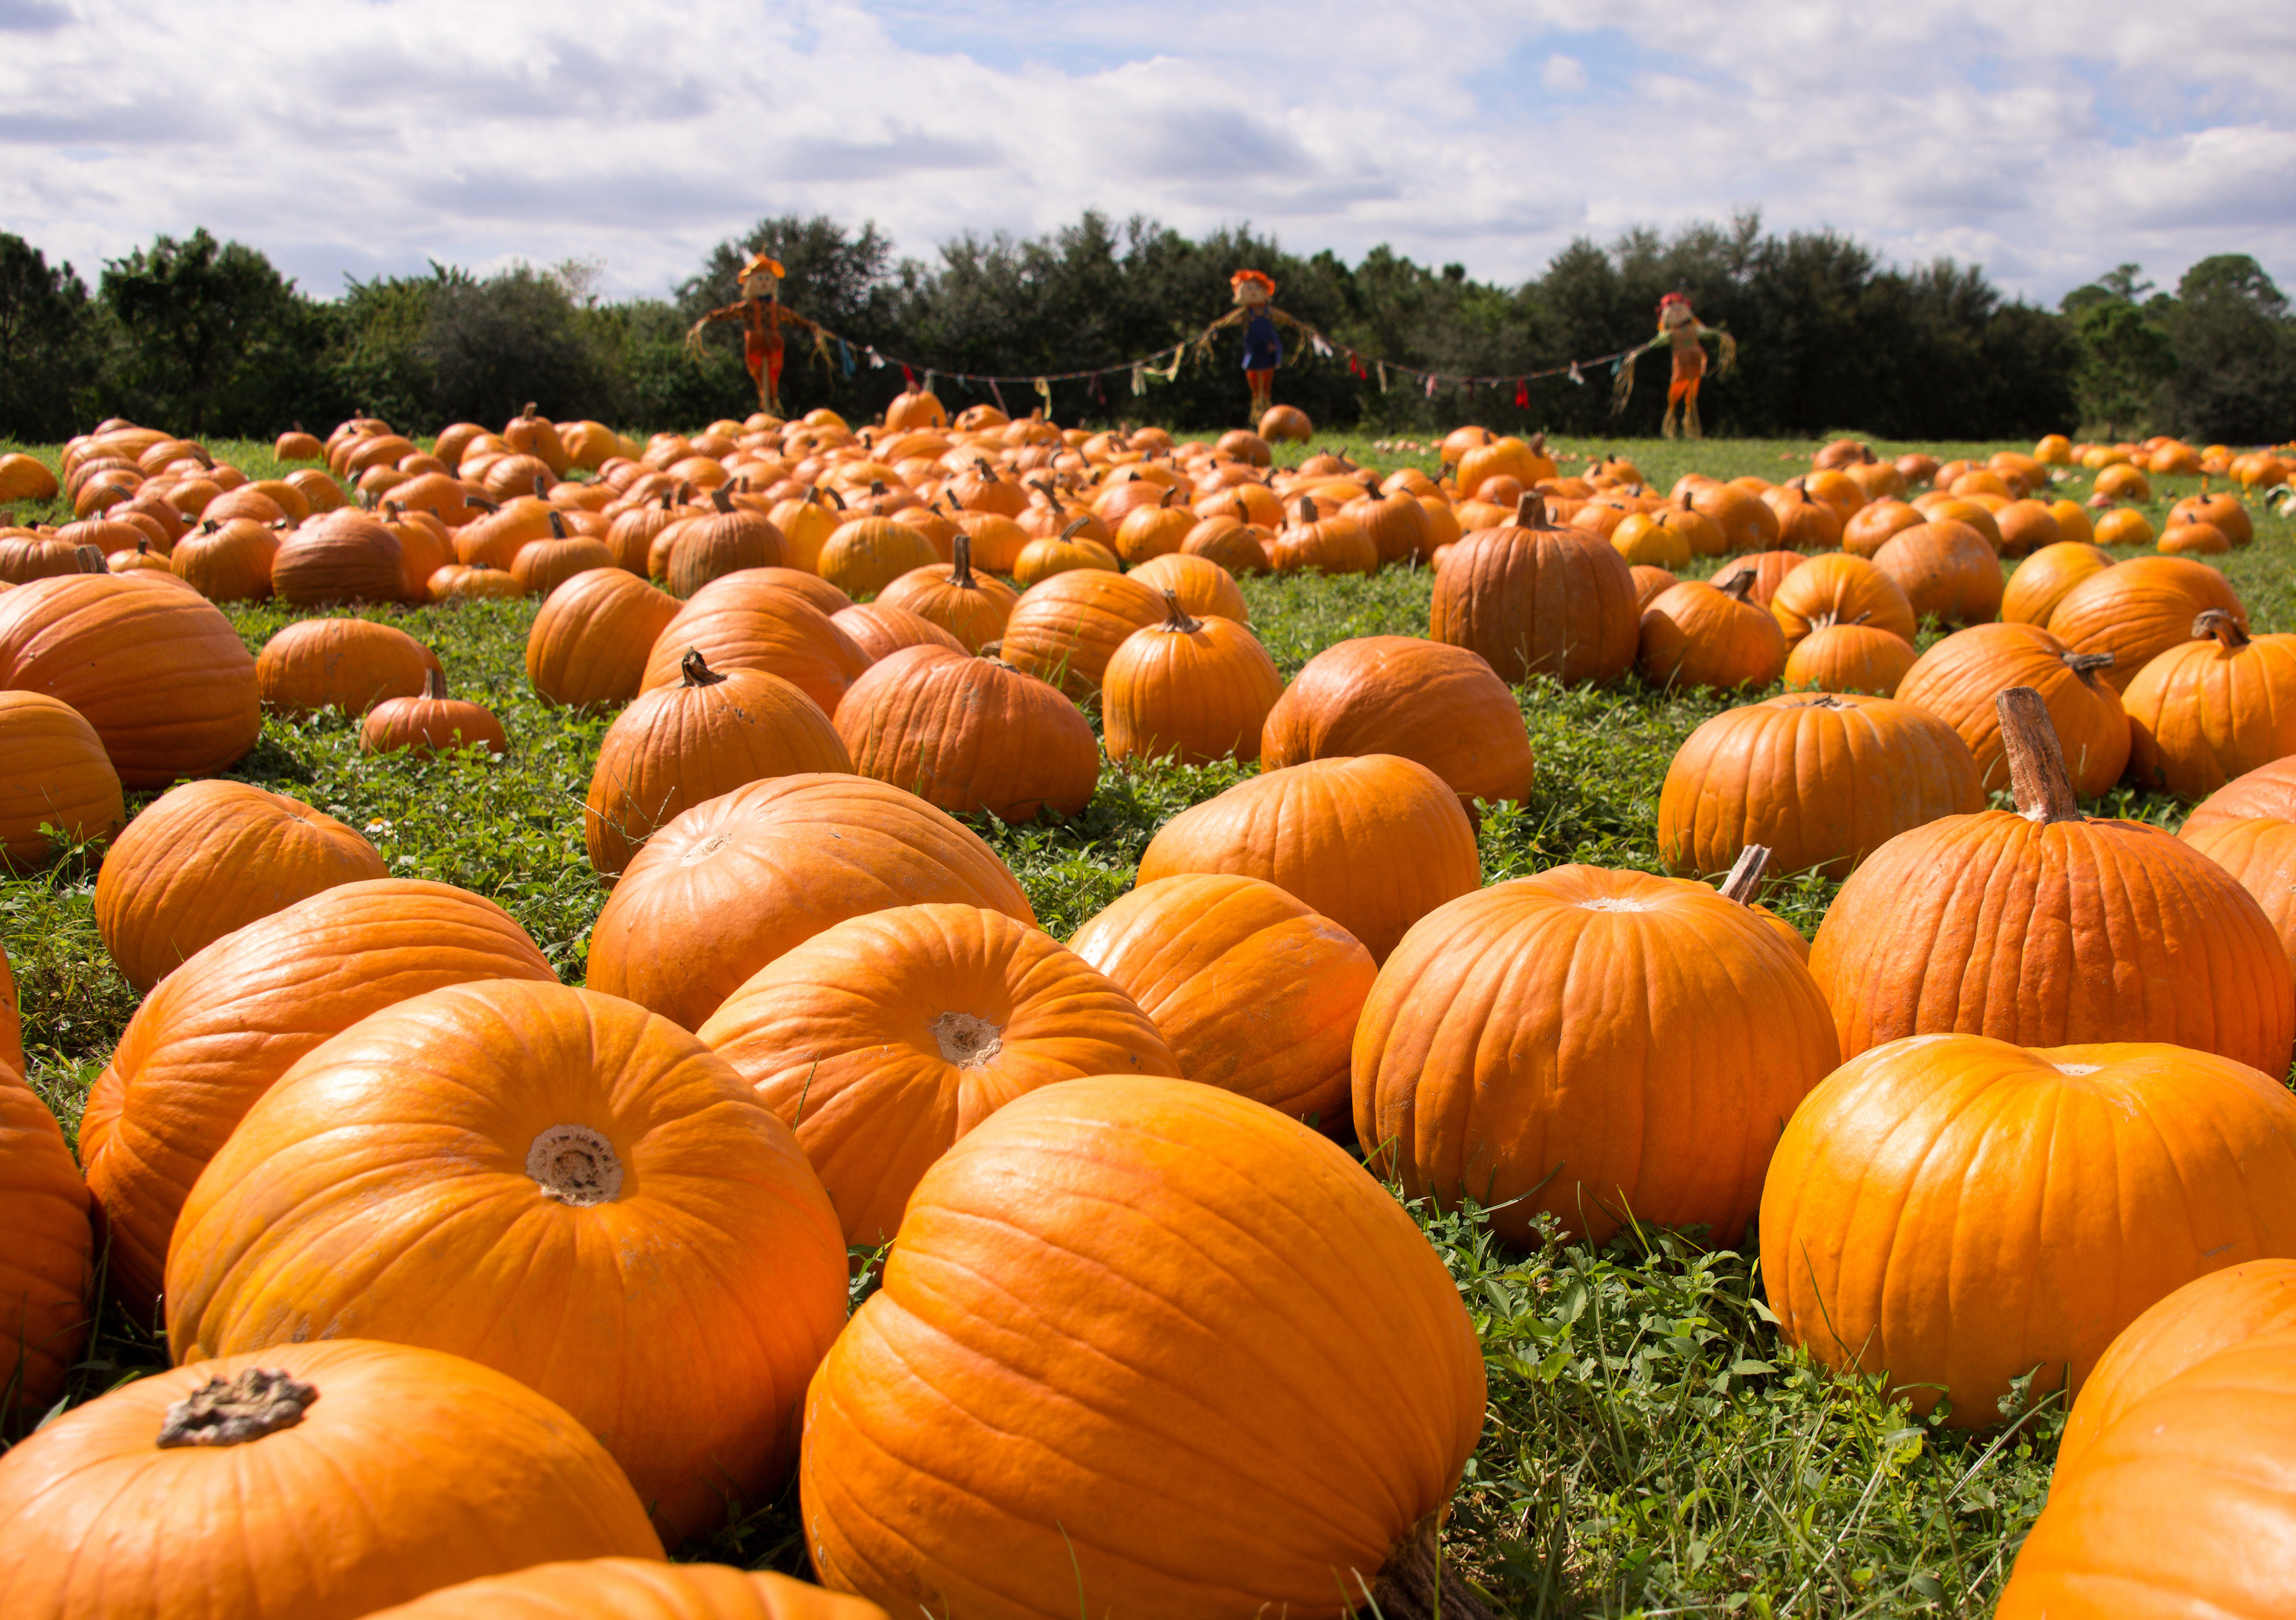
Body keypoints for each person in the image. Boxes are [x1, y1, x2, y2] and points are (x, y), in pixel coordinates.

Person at [684, 253, 824, 416]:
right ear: (751, 283)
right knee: (758, 373)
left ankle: (771, 403)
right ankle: (765, 403)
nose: (764, 282)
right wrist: (710, 318)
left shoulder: (775, 308)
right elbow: (730, 312)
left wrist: (809, 325)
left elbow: (793, 318)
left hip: (773, 342)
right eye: (760, 279)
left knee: (773, 373)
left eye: (767, 279)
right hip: (755, 342)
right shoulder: (748, 307)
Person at [1203, 271, 1304, 420]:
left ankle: (1267, 411)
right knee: (1255, 381)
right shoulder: (1245, 313)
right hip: (1253, 350)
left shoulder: (1268, 312)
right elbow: (1229, 320)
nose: (1253, 292)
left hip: (1269, 348)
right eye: (1249, 289)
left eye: (1256, 289)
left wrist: (1296, 324)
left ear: (1265, 292)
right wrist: (1217, 326)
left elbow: (1284, 319)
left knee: (1267, 382)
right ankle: (1258, 412)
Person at [1654, 291, 1736, 440]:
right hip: (1681, 365)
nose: (1677, 312)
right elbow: (1659, 341)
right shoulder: (1670, 333)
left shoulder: (1694, 328)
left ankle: (1692, 429)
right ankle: (1671, 425)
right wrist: (1647, 347)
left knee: (1692, 395)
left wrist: (1719, 335)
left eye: (1680, 308)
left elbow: (1706, 332)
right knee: (1676, 391)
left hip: (1696, 364)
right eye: (1673, 309)